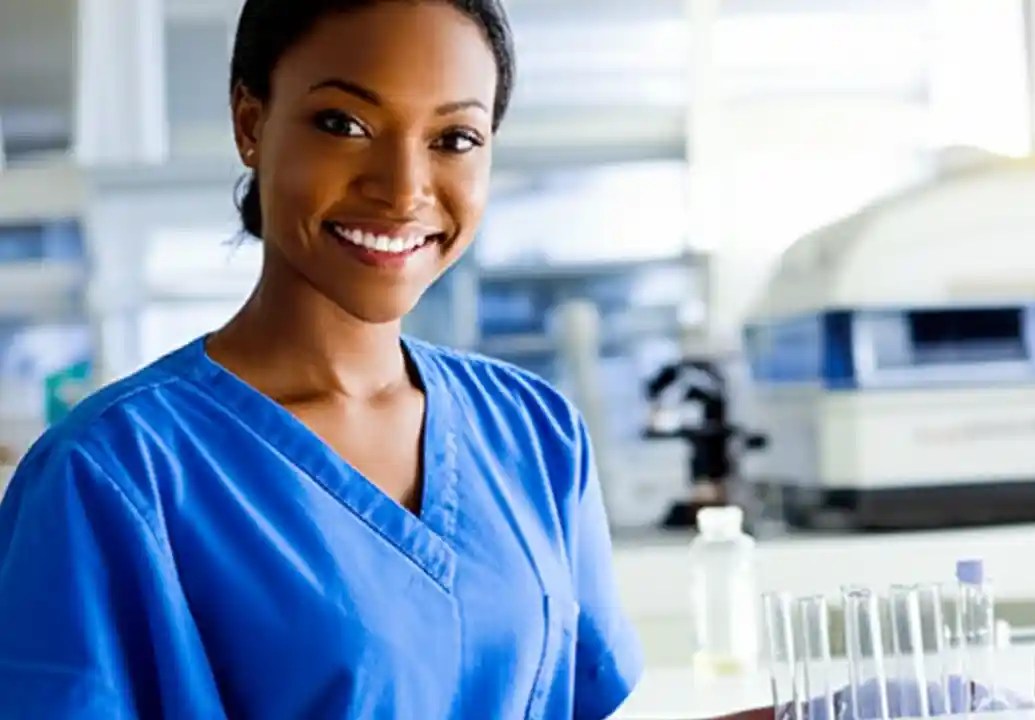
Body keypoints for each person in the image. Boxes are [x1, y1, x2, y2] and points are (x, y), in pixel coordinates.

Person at [0, 1, 651, 717]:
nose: (403, 188)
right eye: (345, 124)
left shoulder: (535, 432)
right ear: (251, 123)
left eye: (456, 137)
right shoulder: (113, 473)